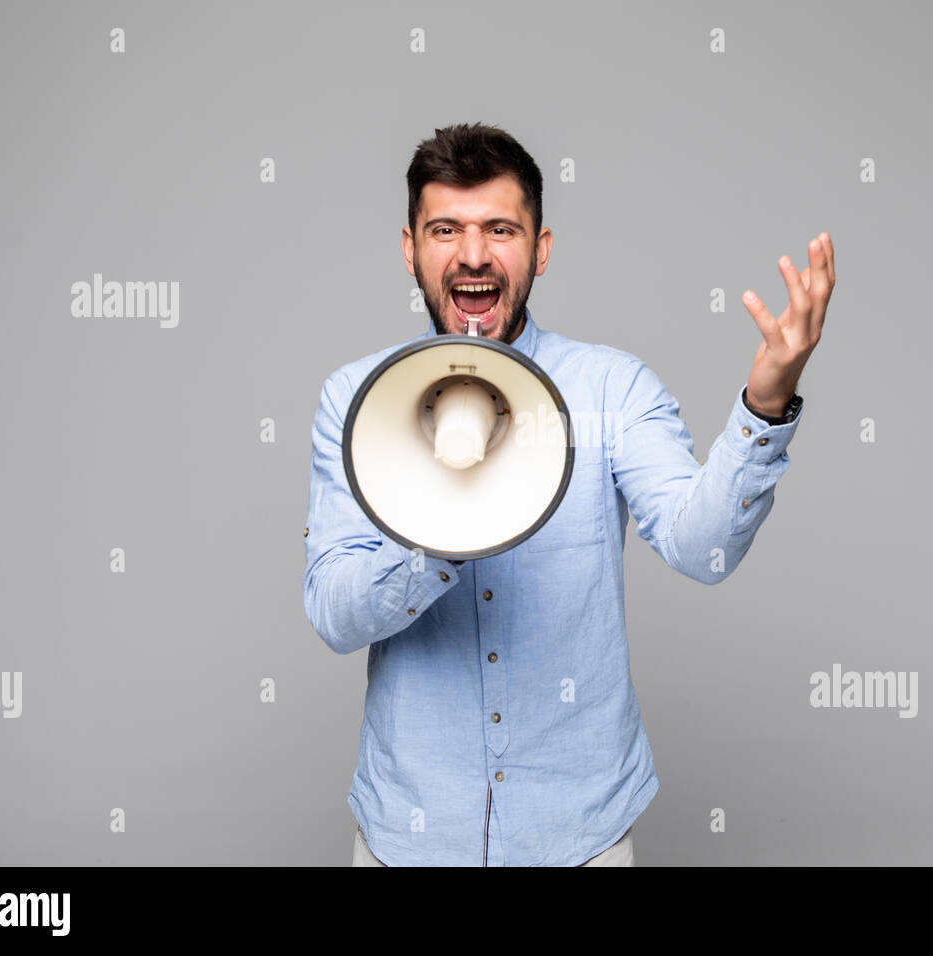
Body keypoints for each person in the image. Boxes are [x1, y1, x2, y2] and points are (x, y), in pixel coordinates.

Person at [303, 122, 834, 866]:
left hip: (579, 838)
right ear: (410, 248)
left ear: (540, 249)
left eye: (500, 229)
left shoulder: (611, 389)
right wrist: (434, 528)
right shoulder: (355, 400)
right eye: (445, 229)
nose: (474, 254)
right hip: (409, 837)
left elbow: (700, 548)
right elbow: (333, 610)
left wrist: (766, 401)